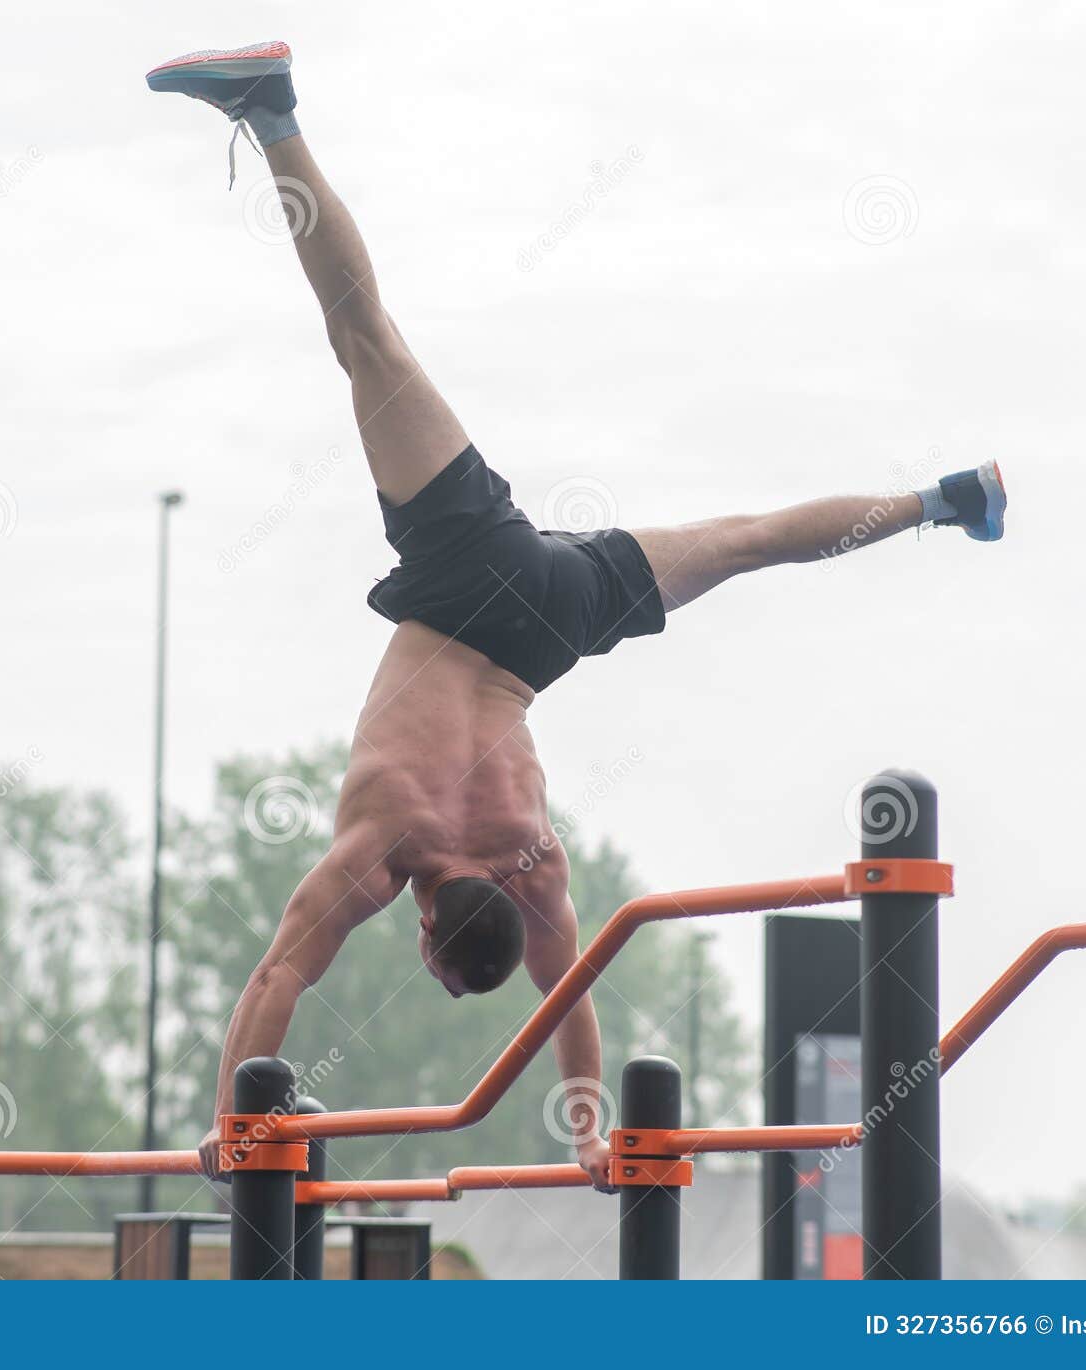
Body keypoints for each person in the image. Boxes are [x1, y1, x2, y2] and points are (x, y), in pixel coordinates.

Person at [146, 41, 1008, 1190]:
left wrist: (593, 1133)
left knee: (746, 542)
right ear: (422, 929)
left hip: (550, 619)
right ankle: (270, 110)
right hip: (469, 578)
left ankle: (940, 501)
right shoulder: (386, 846)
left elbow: (571, 1001)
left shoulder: (534, 870)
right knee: (365, 339)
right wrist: (233, 1121)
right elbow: (279, 979)